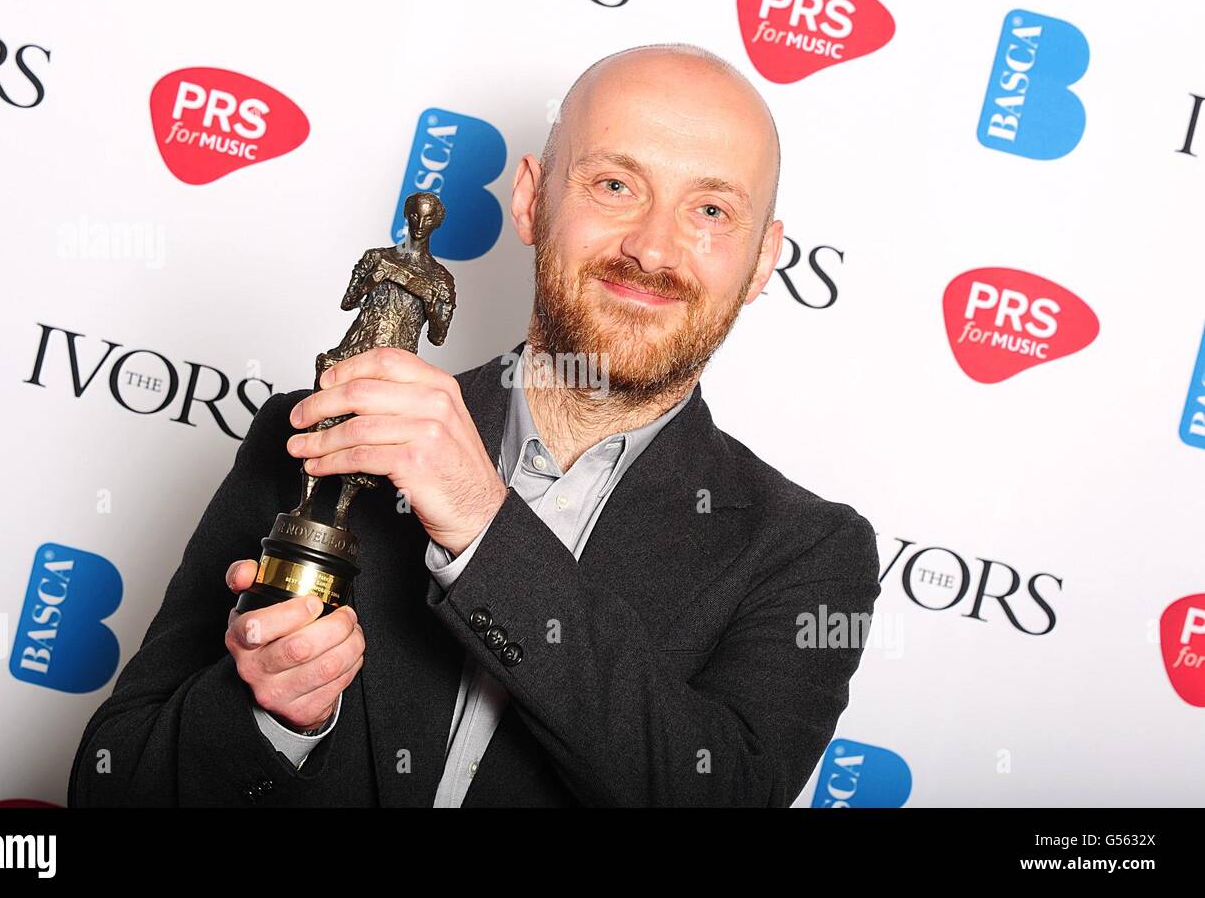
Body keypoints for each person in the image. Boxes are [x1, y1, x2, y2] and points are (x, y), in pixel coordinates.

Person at [68, 42, 881, 807]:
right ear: (531, 199)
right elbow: (113, 782)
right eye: (615, 186)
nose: (653, 248)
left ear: (762, 262)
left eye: (710, 208)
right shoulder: (317, 434)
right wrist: (274, 718)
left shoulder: (807, 554)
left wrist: (482, 525)